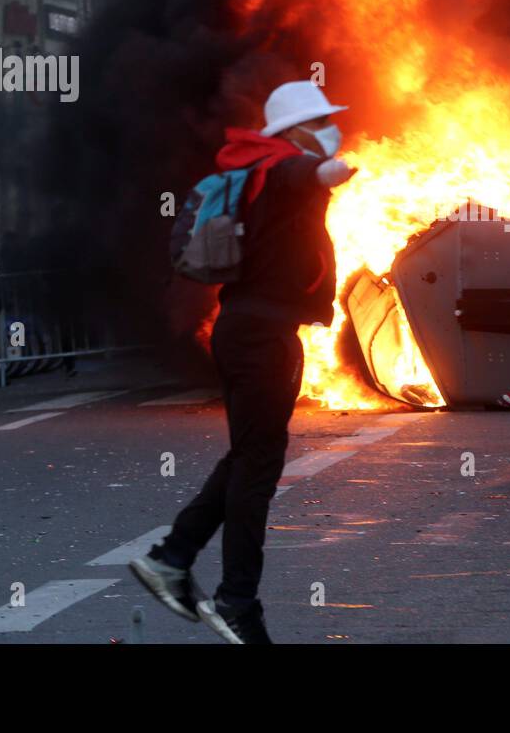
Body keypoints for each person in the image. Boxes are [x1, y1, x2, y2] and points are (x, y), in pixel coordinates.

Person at [131, 80, 356, 645]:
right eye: (321, 121)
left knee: (248, 457)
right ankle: (235, 601)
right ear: (295, 129)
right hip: (261, 338)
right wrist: (331, 169)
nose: (331, 129)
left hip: (248, 329)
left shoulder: (258, 169)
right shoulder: (280, 169)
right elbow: (305, 174)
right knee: (258, 467)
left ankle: (173, 557)